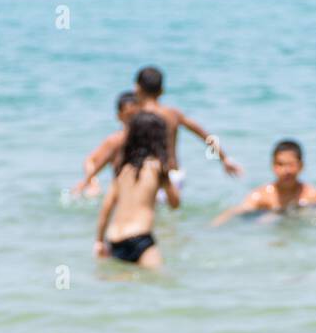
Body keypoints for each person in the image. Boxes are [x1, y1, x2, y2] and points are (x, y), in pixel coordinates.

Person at [133, 65, 242, 196]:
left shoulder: (136, 118)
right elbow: (206, 136)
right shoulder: (173, 114)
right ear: (161, 91)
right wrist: (224, 159)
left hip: (148, 177)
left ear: (137, 88)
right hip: (174, 176)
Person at [94, 111, 179, 268]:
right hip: (140, 237)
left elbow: (106, 207)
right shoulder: (158, 167)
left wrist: (99, 241)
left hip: (114, 239)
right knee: (159, 281)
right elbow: (174, 203)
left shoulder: (122, 169)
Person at [210, 139, 316, 226]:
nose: (286, 170)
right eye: (280, 164)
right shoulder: (262, 195)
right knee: (266, 220)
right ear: (273, 166)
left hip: (297, 227)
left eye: (291, 164)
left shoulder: (310, 194)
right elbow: (236, 211)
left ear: (301, 166)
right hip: (270, 226)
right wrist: (213, 227)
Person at [70, 91, 140, 197]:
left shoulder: (148, 139)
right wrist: (93, 183)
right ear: (119, 116)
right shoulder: (116, 140)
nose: (133, 121)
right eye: (129, 116)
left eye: (137, 116)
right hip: (121, 194)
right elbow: (90, 161)